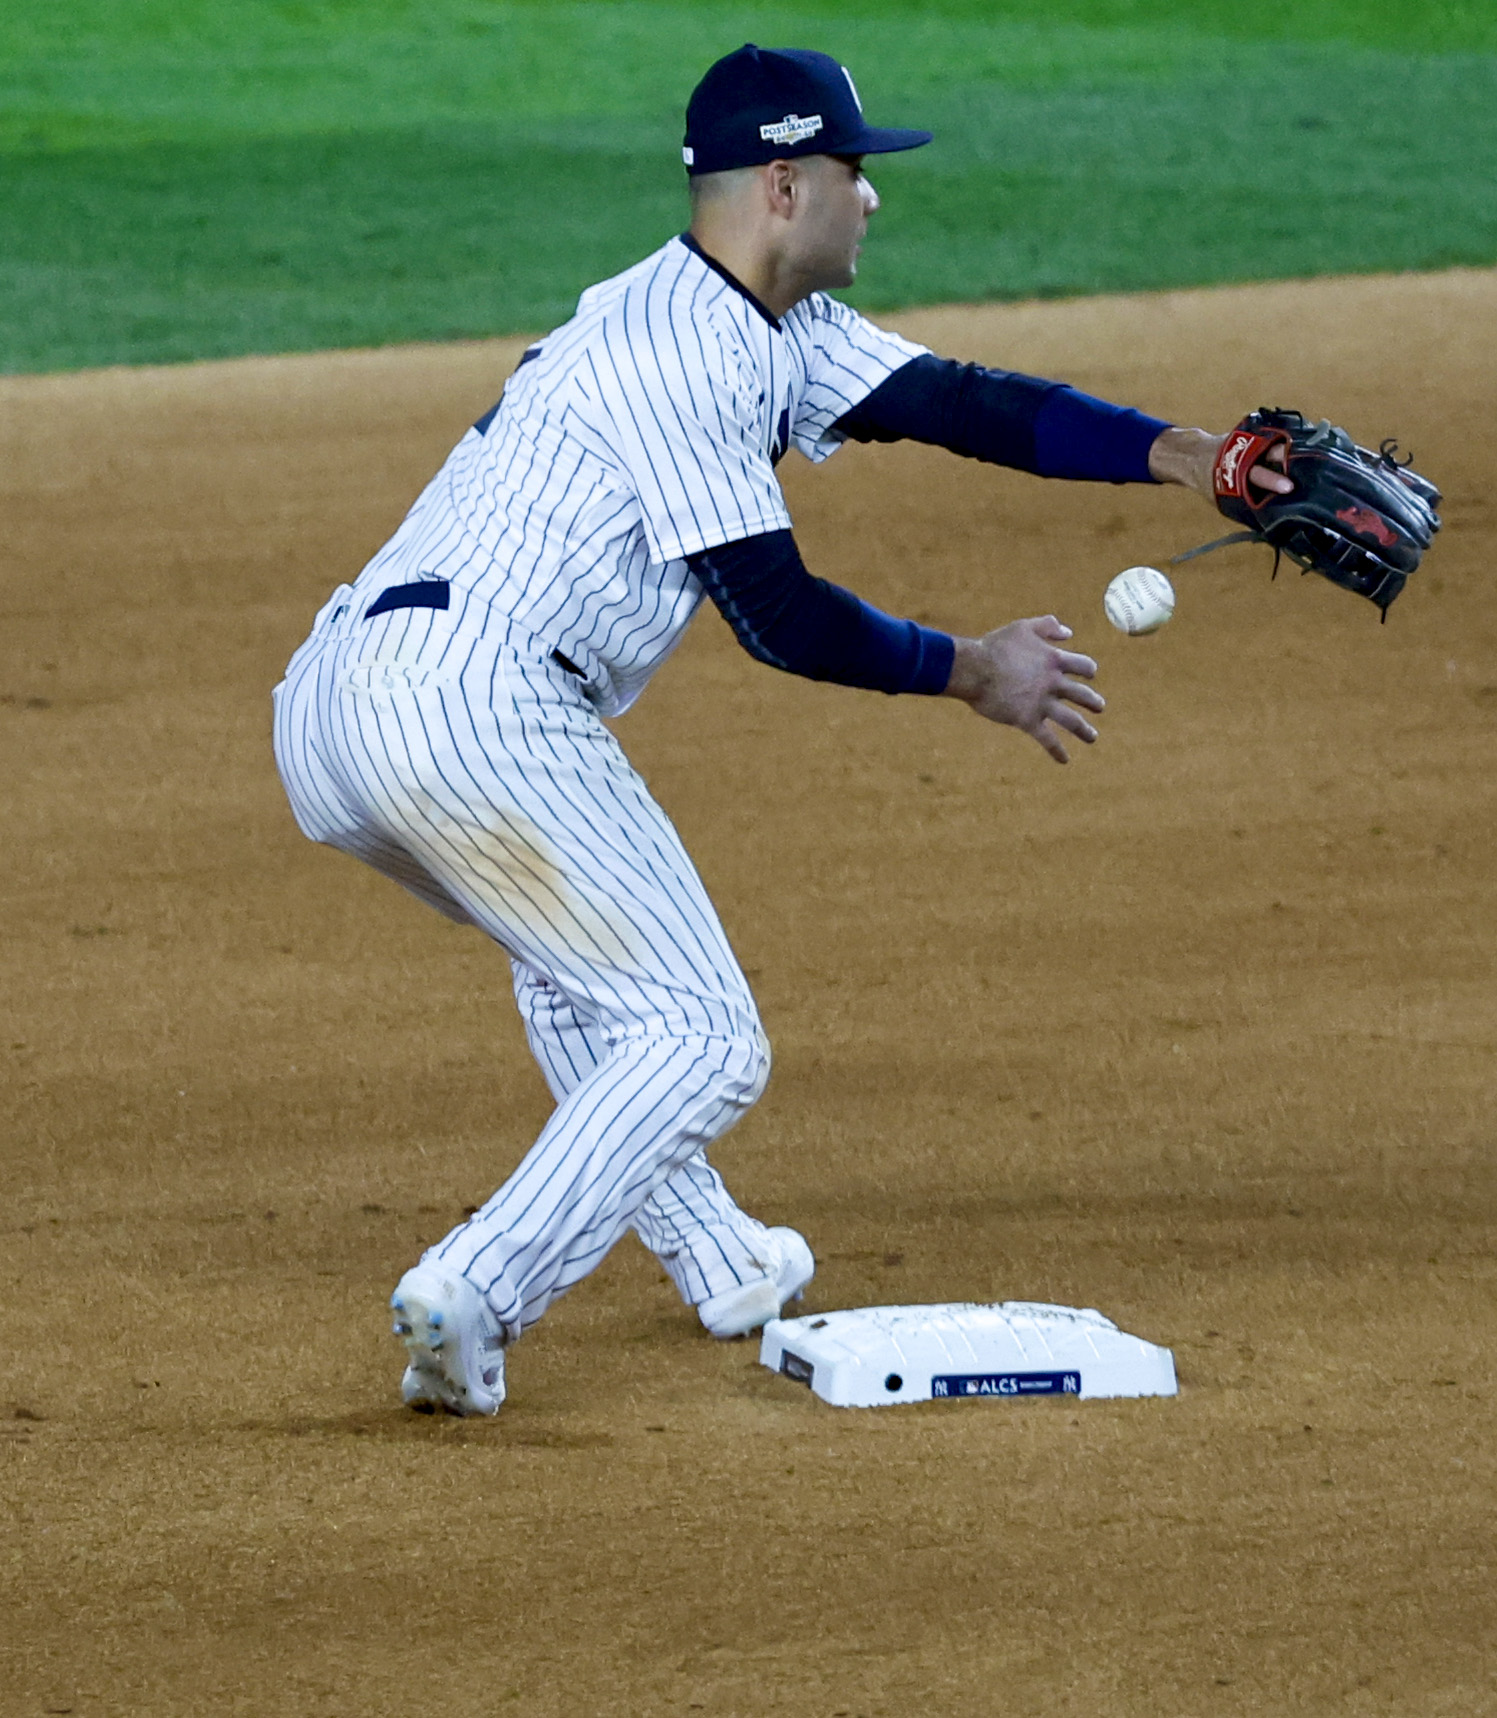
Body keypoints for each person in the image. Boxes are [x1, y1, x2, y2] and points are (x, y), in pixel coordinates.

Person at [272, 44, 1291, 1415]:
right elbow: (775, 613)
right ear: (781, 181)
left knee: (580, 976)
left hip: (345, 705)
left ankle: (721, 1256)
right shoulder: (680, 355)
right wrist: (969, 670)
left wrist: (1181, 454)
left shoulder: (760, 321)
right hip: (469, 699)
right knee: (703, 1034)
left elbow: (957, 401)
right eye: (854, 173)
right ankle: (478, 1286)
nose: (872, 199)